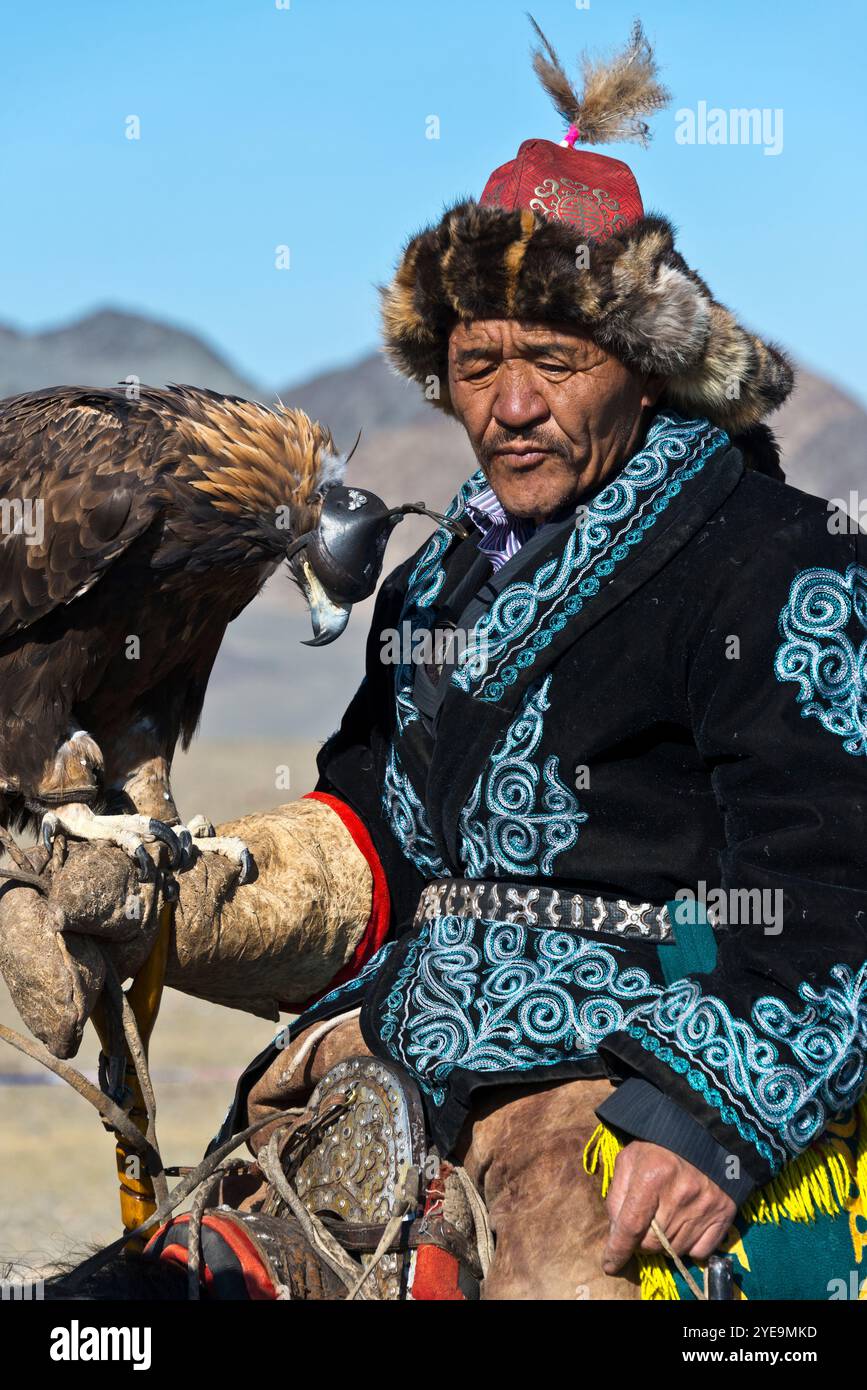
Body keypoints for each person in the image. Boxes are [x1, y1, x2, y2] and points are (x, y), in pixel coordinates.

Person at [5, 22, 866, 1300]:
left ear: (645, 369)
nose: (510, 404)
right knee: (115, 1314)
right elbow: (374, 839)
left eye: (554, 361)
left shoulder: (778, 562)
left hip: (633, 1094)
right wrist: (176, 904)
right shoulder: (435, 583)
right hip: (389, 1077)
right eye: (477, 365)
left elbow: (836, 878)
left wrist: (712, 1120)